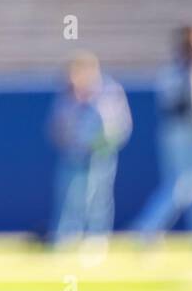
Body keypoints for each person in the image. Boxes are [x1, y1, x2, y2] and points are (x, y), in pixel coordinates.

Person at [134, 20, 192, 250]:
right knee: (185, 186)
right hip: (188, 134)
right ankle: (149, 229)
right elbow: (189, 106)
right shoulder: (181, 70)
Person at [46, 52, 132, 247]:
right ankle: (65, 237)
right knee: (70, 196)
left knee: (99, 198)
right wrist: (71, 145)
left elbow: (120, 125)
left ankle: (97, 238)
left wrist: (103, 144)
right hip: (74, 155)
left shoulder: (109, 91)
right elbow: (56, 126)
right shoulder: (67, 95)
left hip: (101, 155)